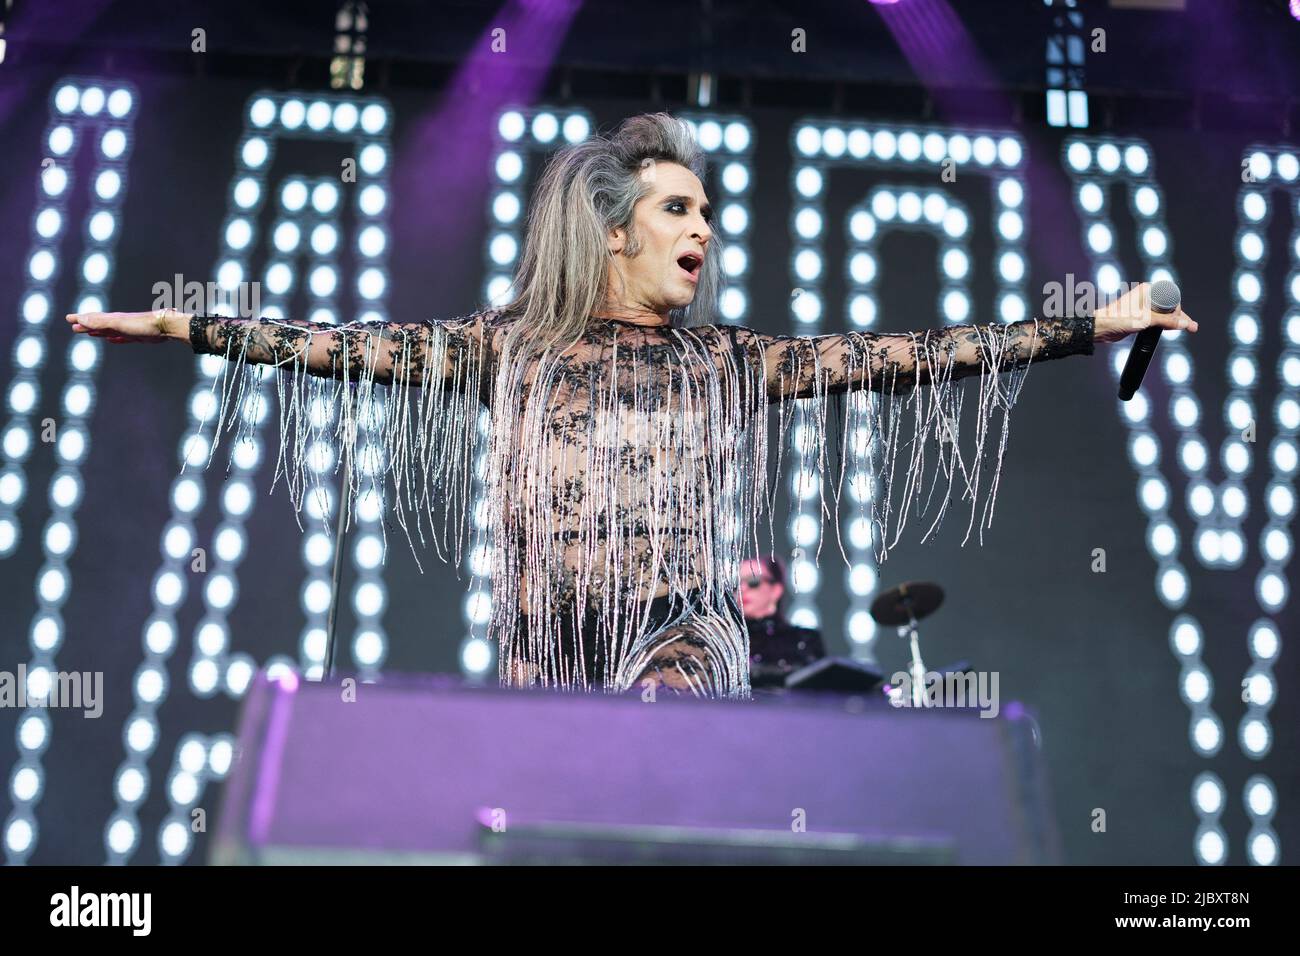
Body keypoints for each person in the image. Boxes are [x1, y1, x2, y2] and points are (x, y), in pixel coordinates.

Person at [65, 112, 1197, 700]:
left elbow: (914, 353)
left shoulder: (728, 360)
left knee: (659, 724)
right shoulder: (507, 348)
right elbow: (341, 346)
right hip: (544, 645)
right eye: (678, 208)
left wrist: (1092, 323)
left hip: (680, 636)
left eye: (709, 211)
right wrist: (182, 324)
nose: (703, 228)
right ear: (615, 229)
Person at [738, 556, 825, 689]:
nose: (742, 589)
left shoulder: (804, 639)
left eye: (753, 581)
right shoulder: (727, 641)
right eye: (735, 584)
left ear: (776, 590)